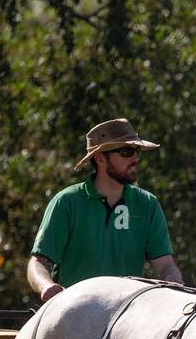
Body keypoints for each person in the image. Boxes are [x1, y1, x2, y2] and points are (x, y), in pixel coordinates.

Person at [27, 118, 184, 301]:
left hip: (126, 317)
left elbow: (165, 264)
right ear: (100, 158)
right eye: (127, 151)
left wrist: (173, 282)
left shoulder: (148, 204)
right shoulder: (67, 202)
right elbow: (38, 262)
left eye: (137, 151)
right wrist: (47, 286)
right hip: (72, 316)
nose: (136, 158)